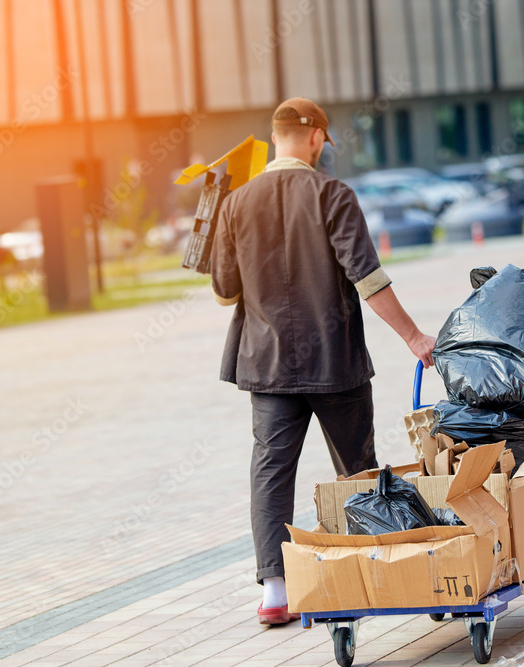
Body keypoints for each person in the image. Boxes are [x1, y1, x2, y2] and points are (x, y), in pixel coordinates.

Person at [209, 98, 436, 626]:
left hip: (266, 366)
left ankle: (274, 592)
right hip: (334, 360)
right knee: (355, 468)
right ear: (315, 138)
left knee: (270, 472)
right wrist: (413, 336)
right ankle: (374, 573)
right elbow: (367, 276)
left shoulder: (236, 202)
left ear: (274, 137)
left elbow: (224, 290)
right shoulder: (332, 194)